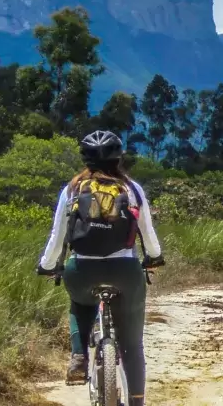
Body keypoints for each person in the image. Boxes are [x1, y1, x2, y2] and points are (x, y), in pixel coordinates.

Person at [36, 130, 165, 406]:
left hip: (82, 272)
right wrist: (153, 258)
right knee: (132, 346)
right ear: (119, 158)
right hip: (125, 272)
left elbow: (57, 236)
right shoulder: (131, 189)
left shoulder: (72, 189)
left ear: (86, 158)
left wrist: (47, 266)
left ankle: (79, 355)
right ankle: (137, 402)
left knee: (80, 304)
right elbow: (148, 235)